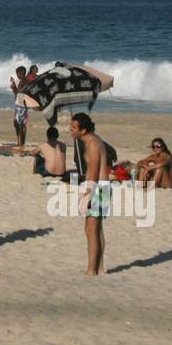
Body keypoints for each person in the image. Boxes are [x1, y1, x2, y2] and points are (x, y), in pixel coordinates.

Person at [71, 112, 112, 276]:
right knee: (96, 228)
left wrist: (88, 194)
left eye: (74, 128)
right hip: (101, 187)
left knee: (91, 228)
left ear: (83, 130)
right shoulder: (89, 141)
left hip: (99, 188)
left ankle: (92, 270)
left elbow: (94, 171)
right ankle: (100, 267)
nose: (70, 130)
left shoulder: (93, 143)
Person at [9, 65, 31, 147]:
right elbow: (18, 95)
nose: (17, 76)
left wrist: (14, 87)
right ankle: (20, 142)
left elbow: (18, 94)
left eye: (17, 74)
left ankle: (20, 142)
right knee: (21, 124)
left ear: (20, 73)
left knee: (18, 123)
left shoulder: (24, 82)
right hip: (21, 104)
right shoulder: (24, 81)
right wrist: (14, 86)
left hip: (21, 105)